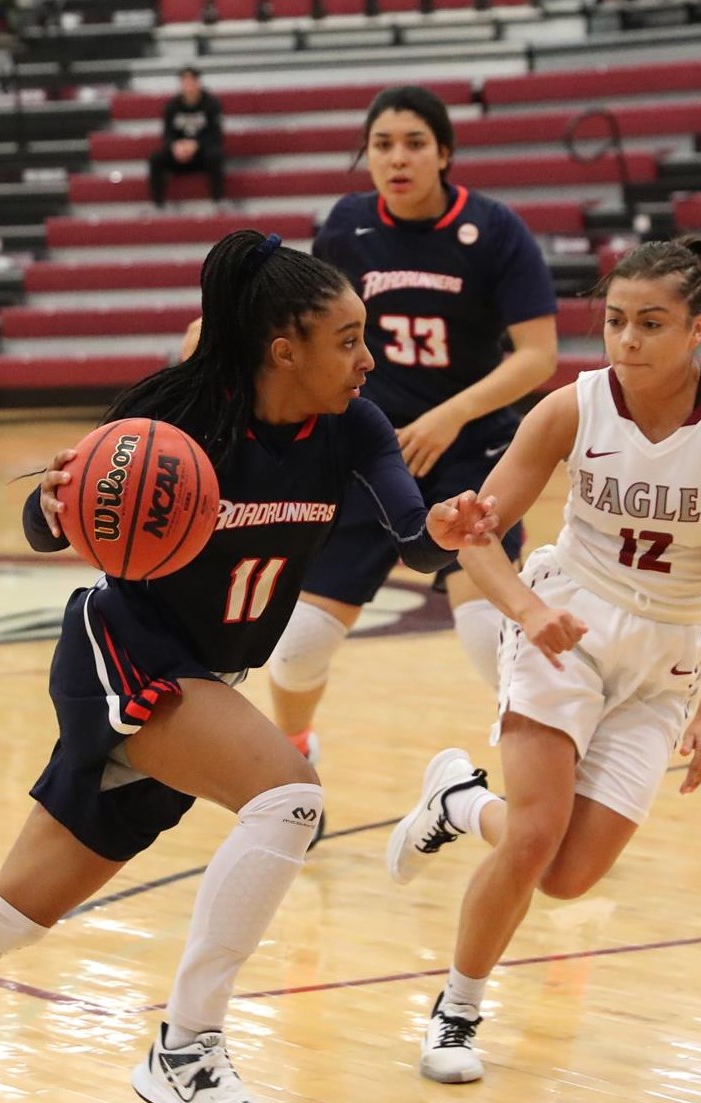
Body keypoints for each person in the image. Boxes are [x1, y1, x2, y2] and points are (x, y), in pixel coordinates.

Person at [0, 230, 493, 1103]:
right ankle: (186, 1048)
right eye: (347, 339)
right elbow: (48, 515)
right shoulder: (181, 418)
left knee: (7, 915)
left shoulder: (353, 426)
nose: (367, 358)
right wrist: (53, 506)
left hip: (202, 676)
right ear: (283, 348)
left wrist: (445, 525)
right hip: (124, 653)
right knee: (289, 796)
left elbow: (411, 537)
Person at [383, 237, 701, 1084]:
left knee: (565, 876)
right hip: (567, 616)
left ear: (697, 329)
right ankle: (455, 1012)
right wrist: (528, 610)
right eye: (614, 320)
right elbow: (475, 536)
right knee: (532, 837)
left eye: (651, 323)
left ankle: (457, 801)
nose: (626, 339)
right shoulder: (570, 409)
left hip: (669, 650)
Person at [264, 84, 558, 771]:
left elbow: (538, 356)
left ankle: (549, 774)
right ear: (366, 157)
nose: (397, 158)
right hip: (371, 452)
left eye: (414, 143)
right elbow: (311, 334)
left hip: (470, 452)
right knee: (298, 647)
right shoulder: (346, 227)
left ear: (444, 153)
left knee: (487, 641)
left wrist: (450, 414)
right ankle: (293, 755)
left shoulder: (492, 229)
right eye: (382, 145)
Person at [148, 68, 226, 209]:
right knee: (156, 158)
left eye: (191, 81)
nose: (188, 85)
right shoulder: (171, 105)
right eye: (185, 81)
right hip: (178, 154)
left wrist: (196, 145)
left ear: (198, 82)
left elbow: (215, 134)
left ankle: (218, 201)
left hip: (202, 154)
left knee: (215, 155)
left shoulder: (212, 104)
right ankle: (158, 205)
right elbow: (167, 134)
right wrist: (175, 146)